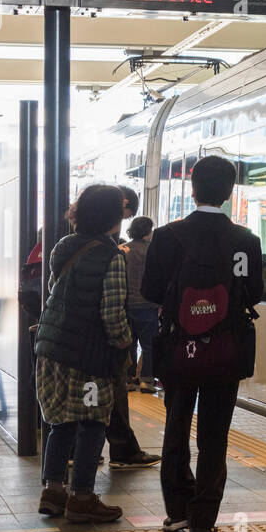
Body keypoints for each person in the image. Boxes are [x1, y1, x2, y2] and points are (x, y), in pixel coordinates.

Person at [143, 155, 263, 532]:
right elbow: (254, 292)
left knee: (176, 426)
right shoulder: (246, 239)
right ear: (229, 193)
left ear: (192, 189)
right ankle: (203, 522)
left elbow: (150, 291)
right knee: (215, 434)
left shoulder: (166, 236)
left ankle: (177, 512)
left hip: (179, 346)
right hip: (226, 349)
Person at [33, 185, 135, 523]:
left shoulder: (63, 246)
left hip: (51, 350)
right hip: (87, 359)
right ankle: (82, 497)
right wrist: (125, 345)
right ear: (114, 216)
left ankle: (53, 490)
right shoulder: (112, 256)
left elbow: (54, 291)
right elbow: (112, 313)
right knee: (92, 423)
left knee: (60, 421)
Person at [102, 186, 161, 469]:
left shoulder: (120, 249)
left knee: (115, 388)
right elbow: (113, 305)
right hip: (142, 308)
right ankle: (147, 380)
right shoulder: (113, 251)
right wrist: (120, 338)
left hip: (127, 310)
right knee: (146, 347)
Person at [123, 216, 159, 394]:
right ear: (147, 231)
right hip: (148, 304)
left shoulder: (124, 249)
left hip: (127, 304)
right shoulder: (154, 250)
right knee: (149, 345)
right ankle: (146, 381)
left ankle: (128, 380)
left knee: (129, 343)